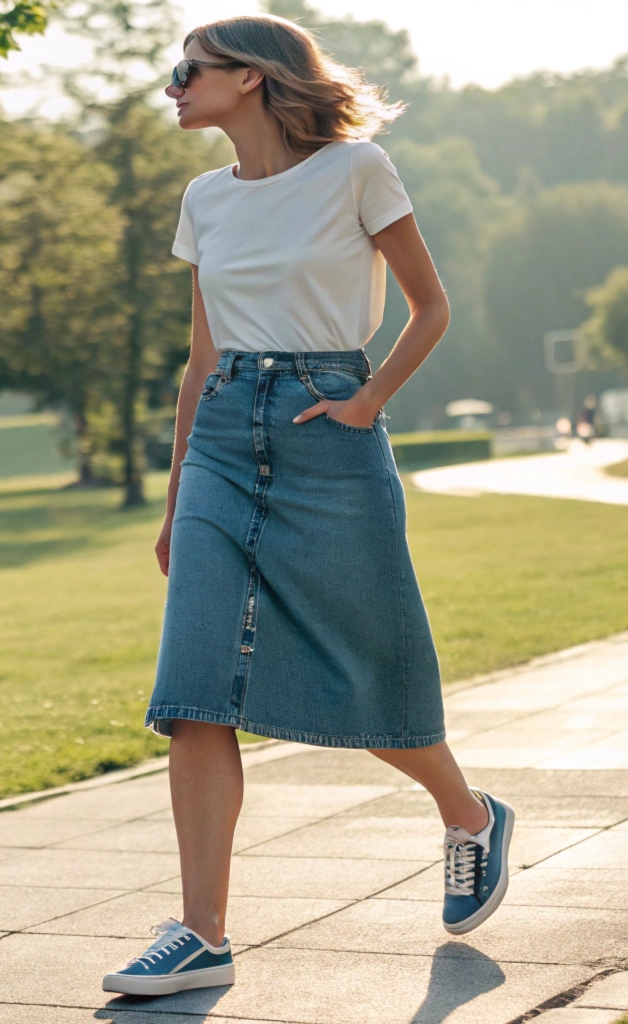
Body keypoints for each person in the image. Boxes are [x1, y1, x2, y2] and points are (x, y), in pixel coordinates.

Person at [101, 14, 515, 998]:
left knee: (359, 664)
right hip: (221, 438)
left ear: (249, 78)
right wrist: (175, 501)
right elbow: (202, 359)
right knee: (194, 684)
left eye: (186, 70)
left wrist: (366, 401)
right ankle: (201, 930)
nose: (172, 87)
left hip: (325, 428)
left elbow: (428, 306)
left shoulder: (355, 171)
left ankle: (467, 816)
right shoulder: (203, 199)